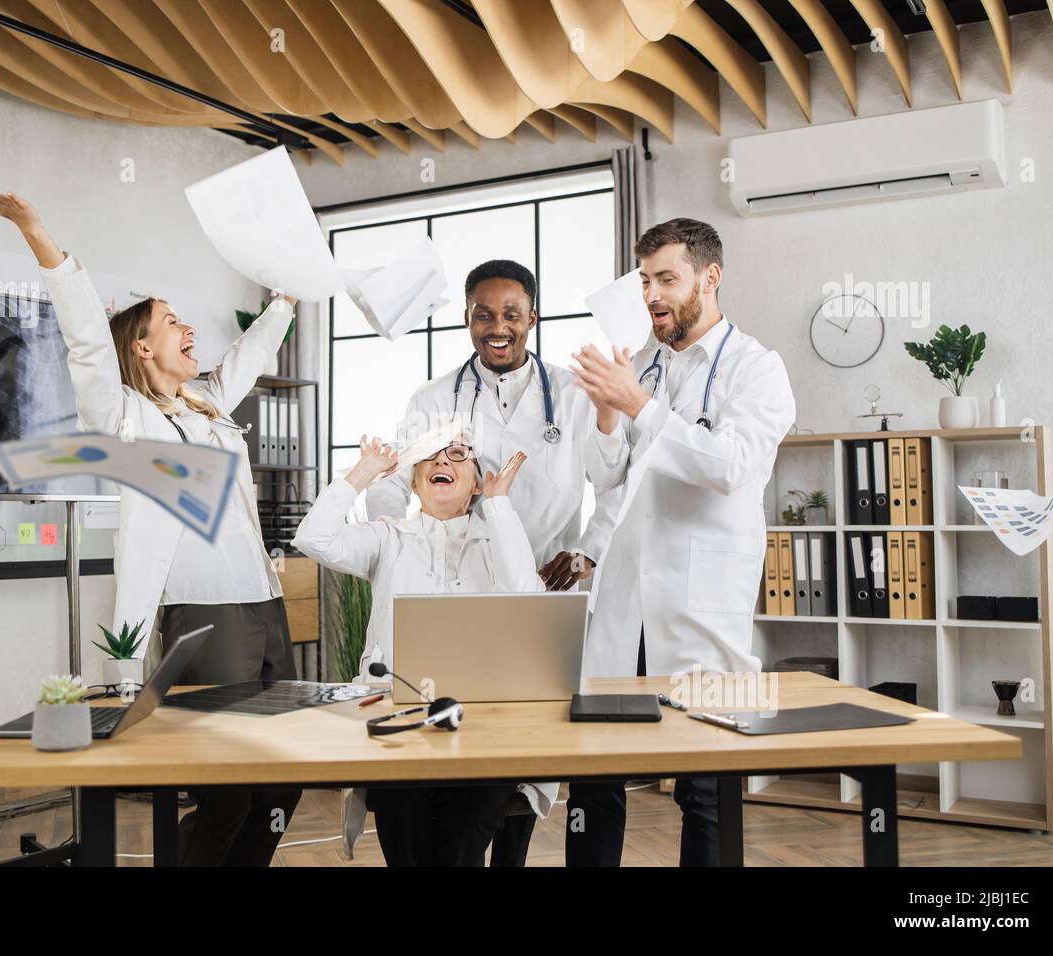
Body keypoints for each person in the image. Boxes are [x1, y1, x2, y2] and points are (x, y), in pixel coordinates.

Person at [0, 186, 302, 867]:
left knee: (288, 768)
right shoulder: (124, 416)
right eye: (171, 321)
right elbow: (87, 335)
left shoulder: (206, 406)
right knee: (229, 780)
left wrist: (289, 298)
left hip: (263, 604)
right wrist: (37, 230)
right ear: (142, 349)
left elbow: (249, 355)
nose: (188, 329)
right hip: (205, 612)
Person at [364, 260, 624, 865]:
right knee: (460, 737)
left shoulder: (576, 395)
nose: (497, 327)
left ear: (533, 317)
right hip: (458, 593)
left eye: (511, 314)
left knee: (522, 747)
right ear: (467, 319)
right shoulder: (434, 398)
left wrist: (586, 550)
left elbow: (614, 484)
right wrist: (390, 530)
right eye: (484, 314)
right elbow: (394, 481)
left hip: (542, 597)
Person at [568, 217, 796, 867]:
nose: (652, 296)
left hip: (699, 610)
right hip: (622, 605)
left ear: (710, 276)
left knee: (705, 786)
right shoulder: (645, 369)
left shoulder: (757, 369)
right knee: (595, 778)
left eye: (667, 278)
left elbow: (730, 466)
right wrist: (609, 419)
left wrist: (637, 407)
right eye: (645, 281)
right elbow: (608, 477)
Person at [292, 432, 545, 866]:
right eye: (428, 456)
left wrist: (499, 503)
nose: (439, 460)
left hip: (483, 729)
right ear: (413, 482)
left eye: (457, 454)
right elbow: (313, 539)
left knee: (468, 824)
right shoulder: (388, 538)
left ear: (477, 482)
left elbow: (527, 597)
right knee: (401, 816)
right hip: (398, 719)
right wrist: (363, 473)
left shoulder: (498, 538)